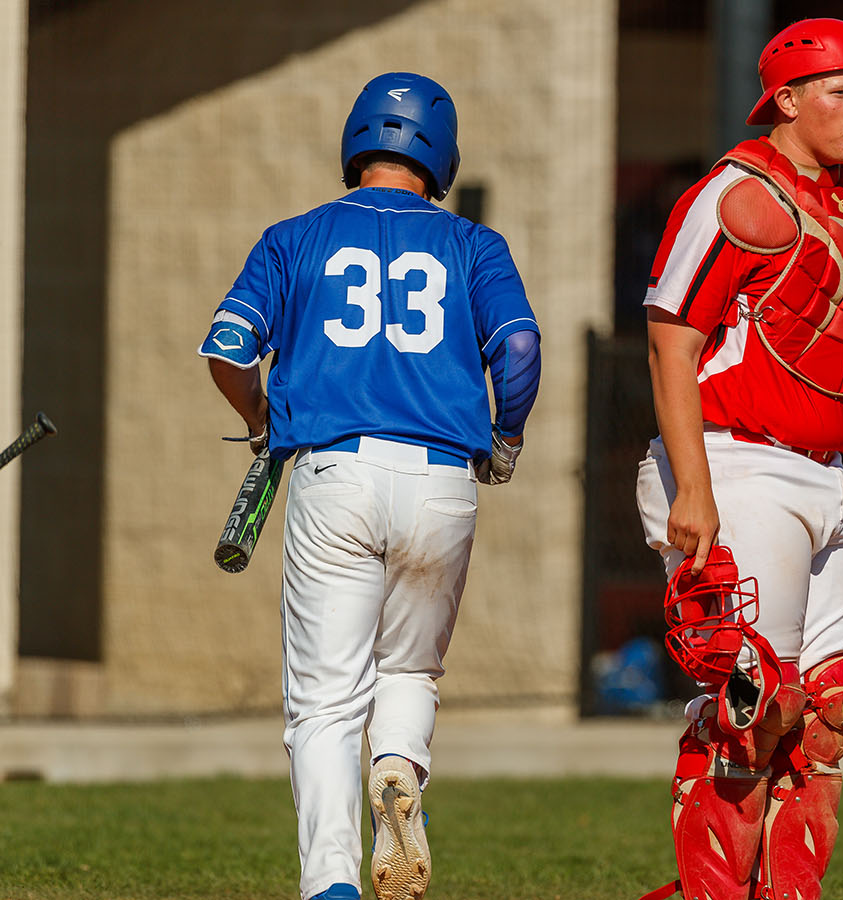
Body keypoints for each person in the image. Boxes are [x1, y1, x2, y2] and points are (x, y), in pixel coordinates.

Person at [198, 73, 541, 900]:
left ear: (358, 141)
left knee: (323, 701)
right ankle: (397, 763)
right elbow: (520, 351)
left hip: (334, 470)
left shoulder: (295, 237)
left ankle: (331, 884)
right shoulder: (472, 244)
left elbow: (227, 348)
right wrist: (506, 437)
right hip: (441, 480)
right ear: (441, 154)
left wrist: (257, 419)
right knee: (410, 670)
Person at [632, 18, 843, 900]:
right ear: (786, 98)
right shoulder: (737, 194)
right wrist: (691, 492)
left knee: (832, 708)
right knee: (754, 710)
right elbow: (669, 337)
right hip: (738, 462)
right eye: (841, 92)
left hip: (826, 475)